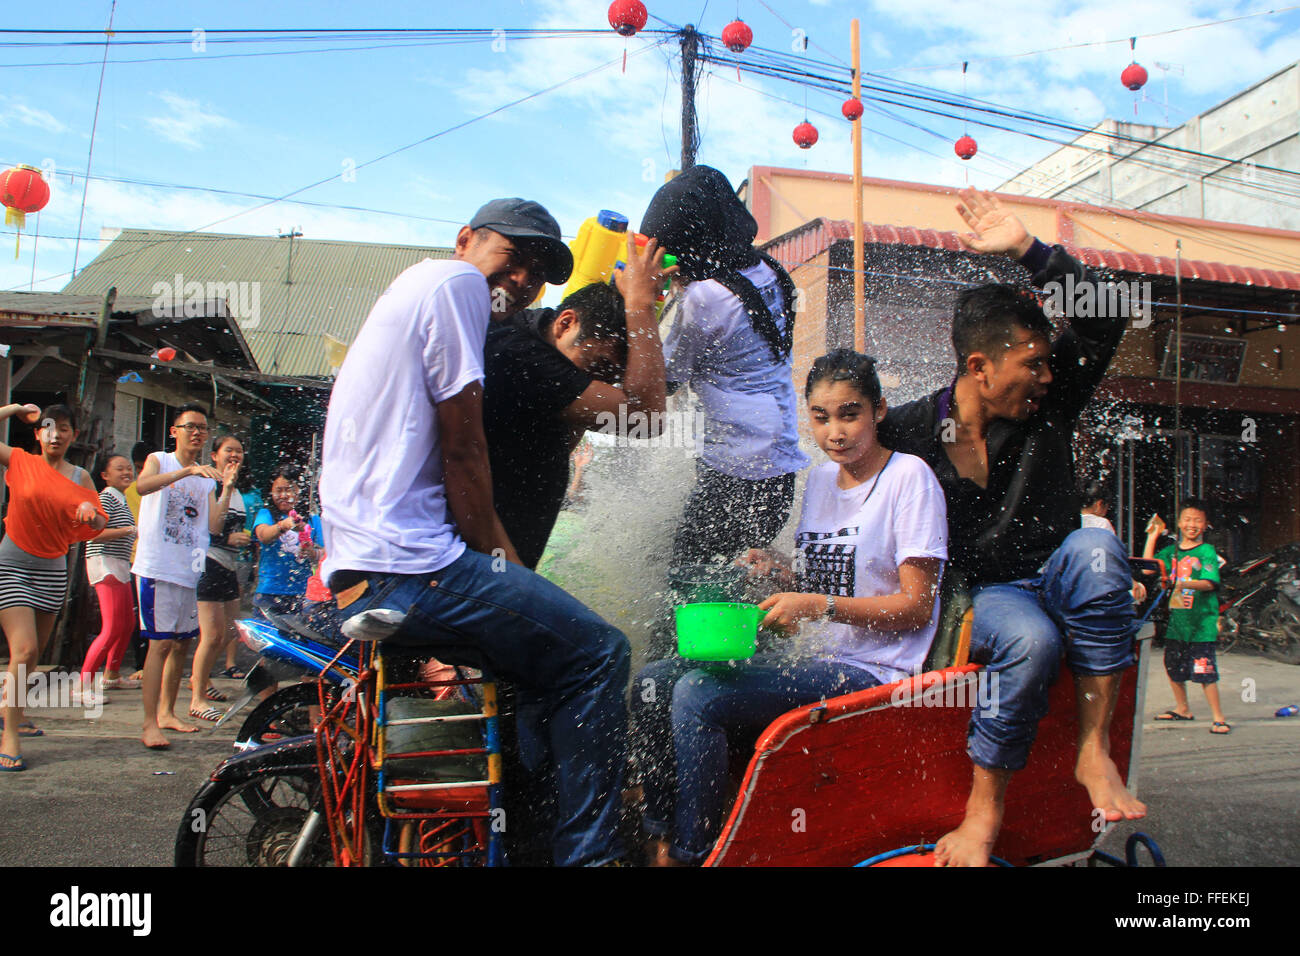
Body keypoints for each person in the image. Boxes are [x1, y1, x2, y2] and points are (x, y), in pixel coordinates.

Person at [319, 198, 664, 866]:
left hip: (379, 565)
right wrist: (506, 571)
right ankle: (588, 860)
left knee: (491, 743)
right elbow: (464, 456)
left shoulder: (435, 299)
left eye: (539, 268)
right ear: (465, 239)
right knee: (600, 654)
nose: (523, 277)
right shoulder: (459, 291)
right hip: (414, 565)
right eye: (514, 256)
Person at [876, 188, 1144, 866]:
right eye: (1034, 363)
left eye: (1051, 363)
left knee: (1099, 547)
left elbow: (1112, 312)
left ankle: (1093, 751)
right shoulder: (907, 431)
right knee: (1031, 640)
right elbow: (857, 502)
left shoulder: (1052, 401)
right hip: (989, 597)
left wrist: (1031, 250)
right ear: (979, 367)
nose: (1049, 376)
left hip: (1062, 573)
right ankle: (983, 810)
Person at [632, 351, 947, 864]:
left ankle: (697, 854)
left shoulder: (909, 478)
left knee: (696, 694)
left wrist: (818, 604)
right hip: (813, 660)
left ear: (880, 410)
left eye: (850, 413)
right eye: (821, 418)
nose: (835, 432)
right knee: (656, 678)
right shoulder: (821, 481)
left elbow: (916, 607)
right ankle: (660, 837)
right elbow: (833, 574)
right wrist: (783, 569)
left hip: (874, 674)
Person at [640, 166, 810, 604]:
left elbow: (664, 380)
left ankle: (677, 669)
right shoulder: (769, 270)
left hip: (734, 474)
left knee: (689, 585)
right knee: (740, 586)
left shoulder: (704, 298)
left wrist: (639, 303)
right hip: (778, 470)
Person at [482, 279, 667, 569]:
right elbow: (647, 420)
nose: (602, 385)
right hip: (482, 567)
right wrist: (640, 306)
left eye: (612, 378)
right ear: (565, 323)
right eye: (600, 366)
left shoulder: (542, 347)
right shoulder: (521, 355)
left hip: (501, 564)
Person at [0, 403, 107, 770]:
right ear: (37, 433)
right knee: (24, 650)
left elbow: (98, 522)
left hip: (52, 570)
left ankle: (9, 709)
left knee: (34, 656)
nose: (55, 434)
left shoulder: (80, 477)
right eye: (48, 427)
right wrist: (14, 408)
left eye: (63, 428)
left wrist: (91, 515)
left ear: (73, 435)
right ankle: (10, 733)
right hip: (11, 565)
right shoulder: (19, 461)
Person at [133, 404, 236, 750]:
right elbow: (142, 487)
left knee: (181, 644)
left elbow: (214, 525)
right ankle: (149, 723)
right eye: (190, 426)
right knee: (160, 644)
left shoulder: (207, 477)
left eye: (203, 428)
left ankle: (167, 713)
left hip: (190, 568)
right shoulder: (159, 460)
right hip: (157, 566)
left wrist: (227, 487)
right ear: (174, 430)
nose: (197, 432)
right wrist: (186, 472)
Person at [1144, 502, 1229, 733]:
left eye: (1198, 520)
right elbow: (1148, 569)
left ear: (1205, 524)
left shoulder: (1207, 552)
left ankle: (1218, 717)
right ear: (1179, 523)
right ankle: (1183, 709)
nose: (1192, 525)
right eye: (1188, 519)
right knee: (1173, 667)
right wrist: (1152, 537)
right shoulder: (1171, 552)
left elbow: (1209, 583)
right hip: (1177, 624)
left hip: (1201, 624)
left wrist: (1182, 583)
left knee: (1205, 671)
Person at [187, 435, 251, 721]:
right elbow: (210, 527)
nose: (234, 455)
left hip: (228, 565)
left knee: (226, 633)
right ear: (214, 456)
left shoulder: (237, 489)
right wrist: (228, 536)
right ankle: (197, 697)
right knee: (211, 635)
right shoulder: (209, 484)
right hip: (207, 563)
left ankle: (204, 683)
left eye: (239, 451)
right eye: (229, 450)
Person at [79, 453, 139, 700]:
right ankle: (83, 685)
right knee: (113, 626)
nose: (126, 472)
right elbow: (92, 535)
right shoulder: (105, 498)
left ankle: (112, 675)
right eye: (119, 469)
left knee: (127, 624)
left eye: (128, 468)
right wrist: (130, 530)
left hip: (120, 565)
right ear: (104, 475)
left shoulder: (121, 499)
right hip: (105, 564)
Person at [252, 465, 323, 619]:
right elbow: (263, 535)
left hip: (301, 592)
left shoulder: (312, 519)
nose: (283, 495)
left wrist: (313, 553)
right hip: (269, 591)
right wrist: (283, 525)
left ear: (298, 491)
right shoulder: (267, 514)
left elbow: (326, 552)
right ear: (271, 492)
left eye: (289, 489)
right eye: (278, 490)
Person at [123, 441, 152, 683]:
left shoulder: (162, 486)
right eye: (138, 467)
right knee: (140, 615)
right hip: (136, 560)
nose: (142, 472)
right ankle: (141, 663)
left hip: (157, 561)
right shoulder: (130, 491)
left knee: (154, 616)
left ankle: (151, 663)